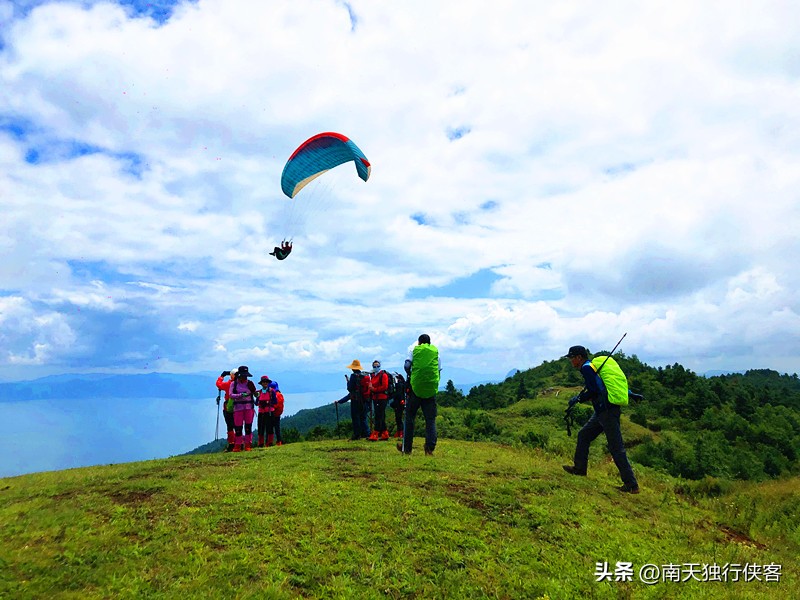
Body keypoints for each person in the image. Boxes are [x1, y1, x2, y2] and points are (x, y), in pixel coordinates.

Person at [562, 345, 640, 494]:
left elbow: (594, 391)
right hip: (602, 411)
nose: (571, 361)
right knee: (584, 435)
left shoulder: (587, 368)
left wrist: (578, 399)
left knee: (616, 447)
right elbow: (603, 384)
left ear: (579, 357)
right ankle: (579, 469)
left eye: (572, 358)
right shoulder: (593, 367)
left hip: (606, 412)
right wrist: (631, 393)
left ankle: (631, 485)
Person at [398, 334, 440, 455]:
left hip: (415, 389)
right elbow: (438, 370)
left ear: (419, 343)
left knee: (409, 418)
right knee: (430, 420)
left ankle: (407, 449)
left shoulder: (414, 351)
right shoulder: (436, 353)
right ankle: (429, 448)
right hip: (430, 390)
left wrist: (411, 375)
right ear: (429, 343)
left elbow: (406, 366)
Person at [335, 359, 371, 440]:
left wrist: (348, 382)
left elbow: (350, 389)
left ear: (353, 368)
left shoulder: (353, 376)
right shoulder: (364, 375)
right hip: (365, 400)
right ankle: (367, 434)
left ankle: (357, 435)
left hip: (356, 400)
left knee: (355, 418)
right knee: (363, 418)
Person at [229, 365, 257, 452]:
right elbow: (231, 395)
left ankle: (248, 445)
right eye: (243, 375)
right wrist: (240, 395)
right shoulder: (234, 384)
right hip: (238, 408)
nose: (245, 377)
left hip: (249, 408)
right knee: (238, 427)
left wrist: (256, 394)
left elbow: (255, 394)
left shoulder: (250, 383)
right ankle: (237, 445)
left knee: (248, 427)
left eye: (246, 376)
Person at [215, 368, 238, 451]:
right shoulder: (241, 384)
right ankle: (240, 443)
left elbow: (218, 384)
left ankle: (232, 444)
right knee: (238, 426)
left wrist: (222, 376)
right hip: (239, 406)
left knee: (230, 426)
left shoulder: (229, 384)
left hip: (228, 407)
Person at [368, 360, 391, 441]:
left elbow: (385, 386)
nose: (376, 367)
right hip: (376, 398)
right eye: (374, 366)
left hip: (382, 398)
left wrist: (374, 389)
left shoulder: (383, 375)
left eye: (377, 366)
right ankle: (385, 433)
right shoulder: (374, 376)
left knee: (378, 415)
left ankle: (375, 433)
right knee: (381, 415)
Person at [256, 375, 277, 448]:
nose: (265, 383)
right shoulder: (259, 392)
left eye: (266, 382)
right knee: (261, 428)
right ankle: (261, 443)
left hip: (269, 412)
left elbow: (275, 401)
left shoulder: (272, 391)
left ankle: (269, 443)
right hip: (261, 412)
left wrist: (268, 403)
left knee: (270, 428)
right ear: (261, 383)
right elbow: (256, 402)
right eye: (263, 382)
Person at [389, 373, 406, 438]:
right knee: (398, 418)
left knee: (398, 418)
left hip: (399, 403)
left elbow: (398, 394)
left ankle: (400, 432)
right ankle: (399, 431)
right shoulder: (401, 384)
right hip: (399, 403)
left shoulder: (398, 385)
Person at [270, 380, 285, 446]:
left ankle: (270, 442)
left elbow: (275, 405)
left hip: (272, 413)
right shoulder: (280, 394)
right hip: (278, 414)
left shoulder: (275, 395)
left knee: (270, 429)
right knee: (277, 428)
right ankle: (279, 441)